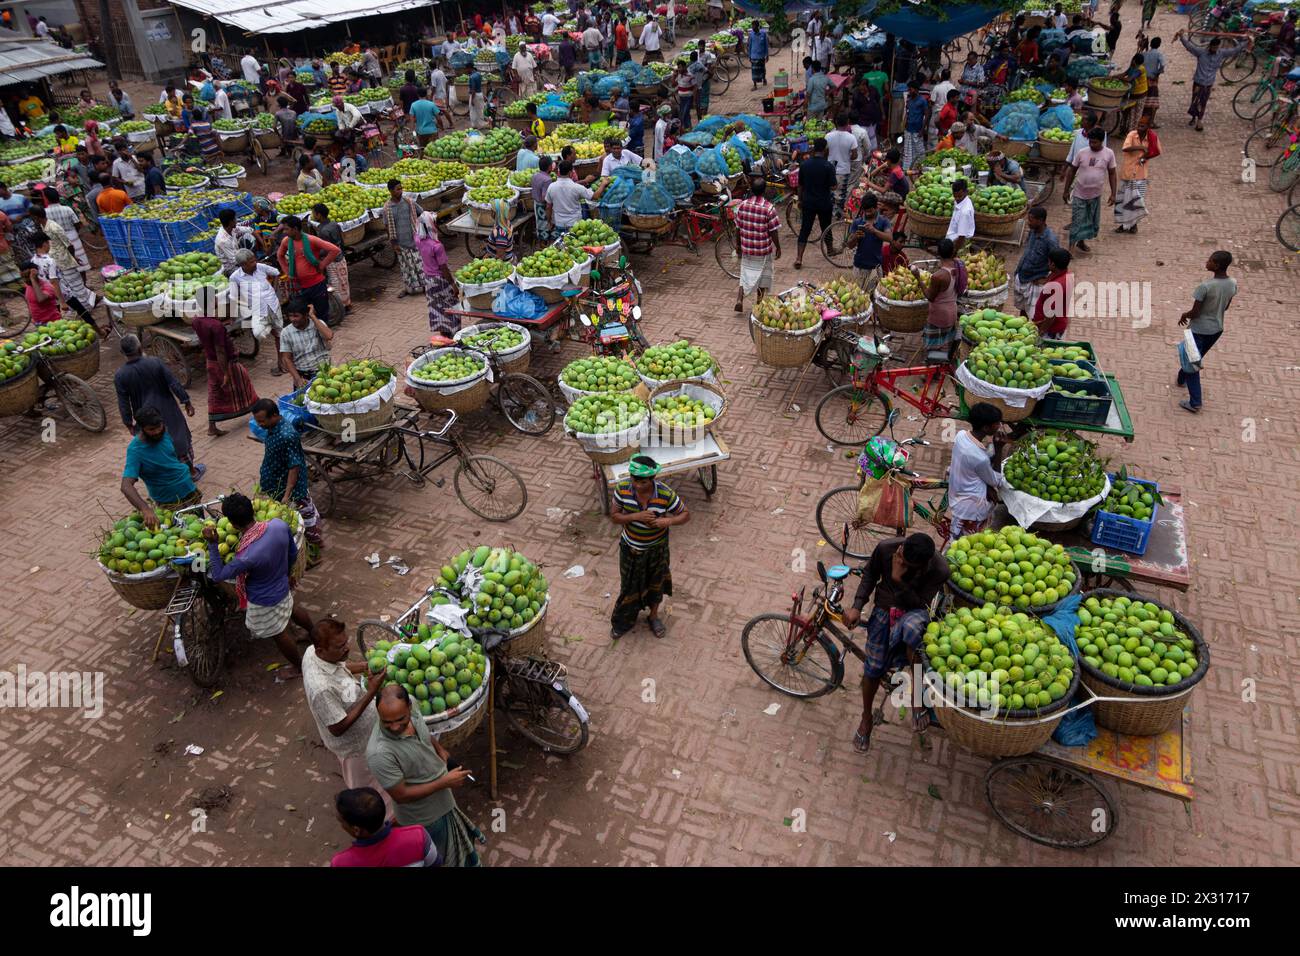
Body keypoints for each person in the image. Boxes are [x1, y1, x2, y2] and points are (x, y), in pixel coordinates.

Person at [842, 533, 950, 755]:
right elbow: (870, 576)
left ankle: (917, 698)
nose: (909, 568)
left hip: (915, 609)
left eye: (914, 568)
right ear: (900, 550)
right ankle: (866, 717)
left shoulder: (939, 569)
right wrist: (857, 605)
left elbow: (922, 604)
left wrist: (899, 578)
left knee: (913, 634)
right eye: (905, 563)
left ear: (926, 563)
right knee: (873, 668)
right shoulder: (885, 549)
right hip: (885, 606)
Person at [366, 685, 486, 866]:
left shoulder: (414, 703)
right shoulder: (379, 753)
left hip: (445, 803)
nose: (395, 726)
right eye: (387, 722)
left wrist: (440, 749)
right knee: (443, 859)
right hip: (426, 819)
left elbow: (424, 731)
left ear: (409, 707)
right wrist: (444, 782)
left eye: (400, 719)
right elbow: (401, 795)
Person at [203, 492, 313, 673]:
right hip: (282, 582)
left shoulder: (246, 556)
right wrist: (288, 573)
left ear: (232, 524)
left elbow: (218, 575)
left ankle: (297, 667)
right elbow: (292, 553)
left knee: (279, 633)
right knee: (291, 607)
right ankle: (313, 633)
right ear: (252, 510)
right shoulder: (278, 525)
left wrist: (213, 545)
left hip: (265, 598)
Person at [609, 454, 689, 639]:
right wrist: (636, 517)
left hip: (657, 550)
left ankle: (653, 617)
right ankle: (624, 621)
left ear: (652, 479)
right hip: (630, 549)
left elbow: (685, 514)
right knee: (628, 586)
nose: (637, 485)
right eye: (634, 479)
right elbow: (614, 516)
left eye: (642, 482)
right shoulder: (622, 490)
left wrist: (667, 521)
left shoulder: (665, 494)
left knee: (656, 584)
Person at [114, 334, 197, 468]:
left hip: (144, 416)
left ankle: (169, 471)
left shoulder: (120, 375)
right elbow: (174, 383)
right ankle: (190, 470)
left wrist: (128, 423)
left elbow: (123, 402)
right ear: (140, 347)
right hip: (168, 409)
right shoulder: (155, 362)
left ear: (122, 353)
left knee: (155, 443)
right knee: (178, 436)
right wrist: (186, 401)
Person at [252, 398, 324, 550]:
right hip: (276, 481)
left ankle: (316, 543)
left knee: (305, 513)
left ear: (274, 416)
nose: (259, 424)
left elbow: (294, 466)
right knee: (291, 514)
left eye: (262, 421)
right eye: (257, 420)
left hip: (291, 487)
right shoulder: (273, 428)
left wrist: (287, 493)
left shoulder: (287, 436)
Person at [190, 287, 258, 437]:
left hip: (210, 361)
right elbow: (220, 351)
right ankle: (258, 411)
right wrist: (226, 372)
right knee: (244, 383)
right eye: (214, 297)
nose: (216, 300)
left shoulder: (196, 320)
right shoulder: (216, 326)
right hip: (225, 362)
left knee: (214, 392)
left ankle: (212, 426)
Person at [1175, 250, 1235, 414]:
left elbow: (1195, 313)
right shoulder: (1232, 284)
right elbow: (1226, 306)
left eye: (1209, 260)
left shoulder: (1205, 287)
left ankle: (1195, 402)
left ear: (1216, 265)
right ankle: (1181, 379)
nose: (1206, 262)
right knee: (1194, 356)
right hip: (1217, 329)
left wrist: (1184, 315)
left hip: (1199, 330)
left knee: (1193, 364)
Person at [119, 406, 203, 523]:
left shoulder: (164, 432)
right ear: (142, 428)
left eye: (159, 426)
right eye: (151, 429)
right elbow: (126, 486)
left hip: (189, 489)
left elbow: (170, 457)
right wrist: (145, 509)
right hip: (170, 502)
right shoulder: (135, 450)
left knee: (201, 523)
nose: (157, 431)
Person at [331, 788, 438, 867]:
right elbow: (435, 864)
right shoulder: (418, 836)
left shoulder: (341, 863)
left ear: (356, 830)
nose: (341, 826)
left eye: (341, 822)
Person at [948, 403, 1009, 540]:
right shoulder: (980, 458)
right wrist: (999, 450)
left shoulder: (961, 435)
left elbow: (976, 470)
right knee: (965, 544)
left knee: (957, 536)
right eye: (996, 423)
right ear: (986, 427)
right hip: (971, 508)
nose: (999, 426)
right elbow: (996, 480)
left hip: (958, 495)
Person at [28, 208, 94, 326]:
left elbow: (68, 244)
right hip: (60, 284)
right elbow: (54, 281)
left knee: (76, 290)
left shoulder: (33, 259)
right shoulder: (49, 259)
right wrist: (62, 300)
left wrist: (73, 257)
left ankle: (89, 314)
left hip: (58, 276)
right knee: (78, 303)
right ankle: (95, 325)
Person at [1175, 29, 1247, 133]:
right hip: (1198, 82)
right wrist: (1181, 37)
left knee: (1203, 102)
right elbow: (1189, 47)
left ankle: (1199, 120)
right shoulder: (1201, 52)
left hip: (1208, 84)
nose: (1214, 49)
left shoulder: (1221, 53)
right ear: (1210, 46)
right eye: (1213, 47)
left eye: (1216, 47)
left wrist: (1246, 41)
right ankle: (1194, 118)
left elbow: (1235, 50)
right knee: (1195, 100)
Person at [276, 215, 340, 327]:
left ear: (295, 229)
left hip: (317, 285)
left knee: (322, 314)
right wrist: (287, 272)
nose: (285, 232)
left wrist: (322, 265)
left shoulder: (311, 239)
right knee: (302, 315)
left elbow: (335, 250)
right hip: (299, 286)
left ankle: (322, 336)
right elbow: (280, 256)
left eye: (286, 229)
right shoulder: (286, 241)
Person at [1062, 127, 1117, 253]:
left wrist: (1113, 194)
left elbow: (1112, 173)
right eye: (1090, 142)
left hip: (1095, 195)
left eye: (1095, 142)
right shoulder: (1082, 152)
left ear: (1101, 141)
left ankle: (1081, 242)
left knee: (1089, 221)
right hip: (1079, 194)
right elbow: (1072, 171)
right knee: (1077, 221)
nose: (1092, 145)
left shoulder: (1109, 154)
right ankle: (1070, 248)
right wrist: (1066, 190)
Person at [229, 249, 283, 367]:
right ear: (243, 265)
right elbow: (233, 297)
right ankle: (271, 327)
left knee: (279, 335)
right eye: (251, 262)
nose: (255, 263)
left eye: (254, 260)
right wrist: (232, 316)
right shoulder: (235, 277)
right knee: (259, 333)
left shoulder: (261, 267)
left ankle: (281, 362)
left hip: (273, 304)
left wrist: (274, 288)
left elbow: (276, 273)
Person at [917, 237, 964, 361]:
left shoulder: (939, 276)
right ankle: (939, 370)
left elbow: (930, 296)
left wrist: (918, 278)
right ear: (953, 251)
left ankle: (929, 371)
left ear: (938, 253)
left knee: (932, 347)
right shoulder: (960, 267)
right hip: (952, 311)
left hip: (938, 316)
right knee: (945, 344)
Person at [415, 209, 459, 341]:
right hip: (440, 280)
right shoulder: (437, 246)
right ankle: (454, 335)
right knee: (451, 305)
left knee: (436, 307)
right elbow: (444, 268)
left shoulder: (417, 239)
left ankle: (443, 335)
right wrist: (453, 284)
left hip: (428, 279)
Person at [794, 138, 836, 270]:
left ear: (813, 149)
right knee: (826, 227)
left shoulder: (805, 165)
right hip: (824, 202)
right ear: (825, 150)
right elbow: (834, 186)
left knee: (805, 229)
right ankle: (830, 249)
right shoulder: (828, 166)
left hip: (808, 202)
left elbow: (800, 186)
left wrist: (800, 200)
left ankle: (799, 258)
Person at [1115, 112, 1159, 234]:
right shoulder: (1132, 135)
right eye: (1139, 125)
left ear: (1148, 127)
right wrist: (1141, 148)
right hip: (1127, 173)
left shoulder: (1152, 137)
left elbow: (1155, 151)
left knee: (1136, 201)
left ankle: (1133, 225)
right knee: (1124, 200)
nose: (1140, 127)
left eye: (1143, 126)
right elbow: (1125, 148)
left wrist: (1145, 156)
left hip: (1141, 175)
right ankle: (1123, 225)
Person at [1012, 206, 1059, 317]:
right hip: (1023, 276)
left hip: (1035, 280)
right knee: (1023, 309)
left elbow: (1058, 264)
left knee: (1035, 314)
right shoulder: (1033, 232)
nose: (1028, 223)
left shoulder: (1050, 240)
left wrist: (1047, 279)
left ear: (1041, 220)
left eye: (1031, 220)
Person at [382, 179, 425, 297]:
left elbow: (421, 212)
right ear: (390, 191)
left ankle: (425, 285)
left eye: (401, 188)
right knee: (406, 267)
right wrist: (393, 243)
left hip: (414, 239)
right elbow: (387, 226)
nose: (400, 191)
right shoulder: (387, 208)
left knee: (420, 264)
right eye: (397, 189)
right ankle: (409, 288)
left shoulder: (409, 202)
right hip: (400, 241)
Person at [279, 295, 333, 386]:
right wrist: (297, 379)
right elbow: (286, 358)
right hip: (303, 376)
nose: (292, 319)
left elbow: (329, 336)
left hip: (324, 371)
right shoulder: (286, 332)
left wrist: (313, 316)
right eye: (290, 316)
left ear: (305, 315)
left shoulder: (318, 324)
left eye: (296, 316)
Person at [847, 191, 892, 293]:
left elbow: (889, 238)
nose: (867, 213)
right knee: (858, 296)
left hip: (875, 267)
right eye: (865, 211)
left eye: (870, 211)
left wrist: (874, 231)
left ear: (876, 208)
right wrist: (855, 237)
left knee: (874, 296)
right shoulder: (857, 222)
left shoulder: (883, 221)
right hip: (859, 266)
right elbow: (849, 245)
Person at [1033, 247, 1073, 339]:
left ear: (1053, 264)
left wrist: (1041, 332)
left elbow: (1051, 315)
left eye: (1048, 262)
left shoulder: (1057, 286)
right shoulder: (1065, 275)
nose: (1047, 264)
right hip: (1056, 323)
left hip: (1051, 330)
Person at [546, 159, 593, 236]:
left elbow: (548, 207)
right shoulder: (577, 187)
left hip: (559, 223)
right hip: (574, 224)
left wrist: (549, 221)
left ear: (558, 172)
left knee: (562, 245)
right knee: (574, 246)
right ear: (571, 173)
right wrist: (603, 184)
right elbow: (594, 196)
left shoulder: (551, 187)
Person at [825, 114, 859, 215]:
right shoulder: (851, 138)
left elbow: (825, 152)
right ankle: (838, 214)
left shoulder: (828, 136)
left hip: (830, 167)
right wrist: (846, 157)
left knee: (830, 191)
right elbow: (854, 156)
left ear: (836, 123)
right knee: (841, 194)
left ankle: (829, 211)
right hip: (844, 169)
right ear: (847, 123)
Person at [19, 254, 61, 326]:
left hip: (53, 322)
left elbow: (41, 299)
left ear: (34, 274)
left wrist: (32, 279)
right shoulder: (29, 285)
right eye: (23, 277)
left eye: (26, 277)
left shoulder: (47, 286)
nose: (24, 280)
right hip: (39, 323)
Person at [901, 80, 929, 172]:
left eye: (911, 89)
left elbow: (927, 115)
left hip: (918, 129)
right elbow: (907, 114)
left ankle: (921, 167)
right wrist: (904, 126)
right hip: (908, 129)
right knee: (908, 149)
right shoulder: (909, 100)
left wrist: (923, 129)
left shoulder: (922, 100)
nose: (909, 90)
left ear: (916, 89)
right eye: (908, 89)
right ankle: (908, 168)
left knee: (919, 150)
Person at [945, 179, 975, 255]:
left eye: (959, 196)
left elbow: (961, 237)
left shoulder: (965, 212)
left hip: (958, 244)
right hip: (953, 239)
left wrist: (954, 252)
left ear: (966, 192)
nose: (957, 199)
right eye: (955, 196)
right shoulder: (963, 201)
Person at [1142, 37, 1165, 127]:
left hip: (1144, 80)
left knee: (1145, 101)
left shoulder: (1145, 54)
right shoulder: (1159, 54)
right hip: (1152, 80)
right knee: (1153, 103)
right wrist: (1158, 72)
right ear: (1159, 45)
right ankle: (1151, 122)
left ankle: (1143, 119)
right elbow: (1163, 64)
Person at [674, 60, 696, 132]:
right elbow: (673, 84)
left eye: (680, 67)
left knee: (685, 113)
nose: (679, 69)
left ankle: (687, 128)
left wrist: (694, 100)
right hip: (681, 98)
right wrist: (674, 75)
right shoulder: (679, 75)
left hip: (688, 98)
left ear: (684, 67)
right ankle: (688, 128)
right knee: (685, 114)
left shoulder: (690, 75)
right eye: (678, 67)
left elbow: (695, 88)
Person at [747, 20, 769, 89]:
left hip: (761, 56)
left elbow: (766, 45)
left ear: (757, 26)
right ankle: (755, 85)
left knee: (762, 69)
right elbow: (749, 45)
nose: (753, 27)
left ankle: (764, 79)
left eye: (754, 26)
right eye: (752, 26)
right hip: (754, 56)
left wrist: (767, 55)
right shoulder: (751, 35)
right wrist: (749, 56)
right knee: (754, 71)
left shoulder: (763, 34)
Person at [467, 63, 485, 129]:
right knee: (480, 110)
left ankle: (474, 125)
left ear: (469, 68)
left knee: (473, 110)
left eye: (467, 69)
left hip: (475, 95)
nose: (466, 71)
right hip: (480, 94)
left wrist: (472, 99)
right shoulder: (478, 74)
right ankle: (481, 124)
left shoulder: (472, 77)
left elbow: (473, 89)